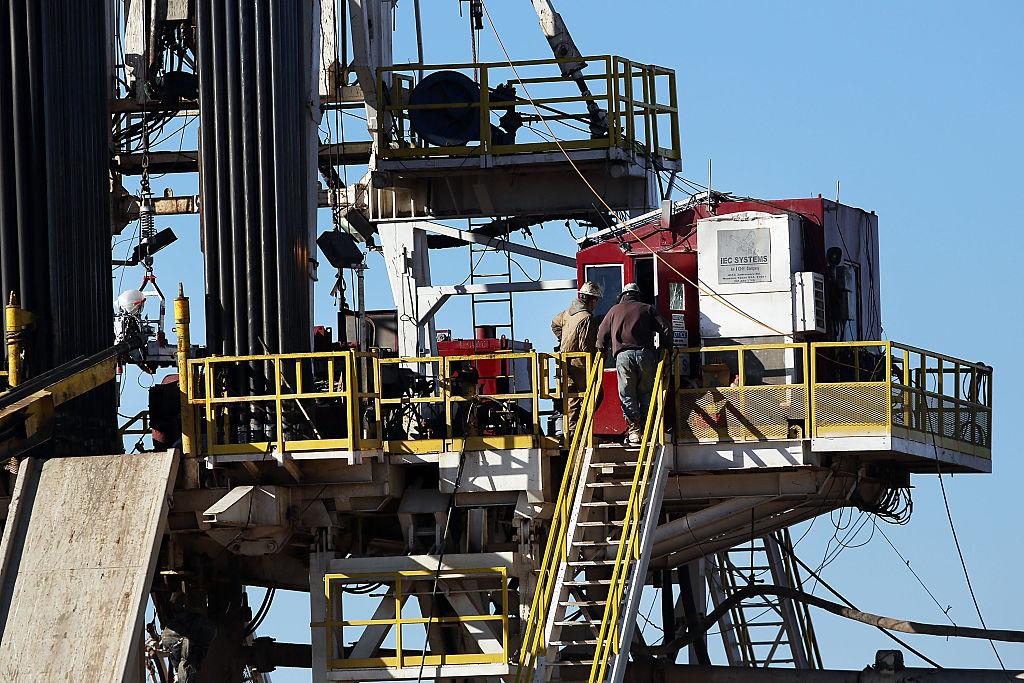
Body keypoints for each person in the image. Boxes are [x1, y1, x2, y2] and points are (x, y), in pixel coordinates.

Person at [596, 282, 668, 445]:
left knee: (627, 393)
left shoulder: (614, 310)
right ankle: (649, 429)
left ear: (623, 295)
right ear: (637, 295)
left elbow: (601, 335)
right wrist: (665, 348)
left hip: (623, 357)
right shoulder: (647, 308)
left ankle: (634, 431)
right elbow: (665, 329)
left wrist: (601, 351)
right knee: (647, 392)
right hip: (645, 356)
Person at [551, 281, 603, 436]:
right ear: (592, 300)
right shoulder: (586, 318)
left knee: (571, 397)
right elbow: (586, 346)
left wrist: (562, 339)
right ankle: (582, 426)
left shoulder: (567, 313)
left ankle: (572, 431)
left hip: (563, 361)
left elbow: (554, 324)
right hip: (579, 362)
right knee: (594, 393)